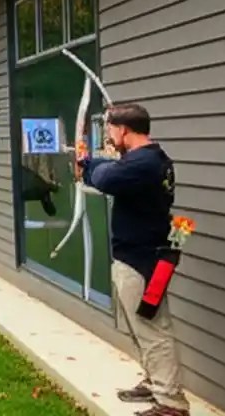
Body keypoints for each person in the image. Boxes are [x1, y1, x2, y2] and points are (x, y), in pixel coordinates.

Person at [77, 104, 189, 416]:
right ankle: (155, 382)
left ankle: (171, 403)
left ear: (124, 130)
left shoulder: (144, 163)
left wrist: (90, 168)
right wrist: (90, 164)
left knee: (153, 329)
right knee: (142, 328)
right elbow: (107, 170)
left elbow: (107, 179)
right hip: (138, 256)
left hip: (142, 260)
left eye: (111, 129)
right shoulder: (150, 159)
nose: (110, 137)